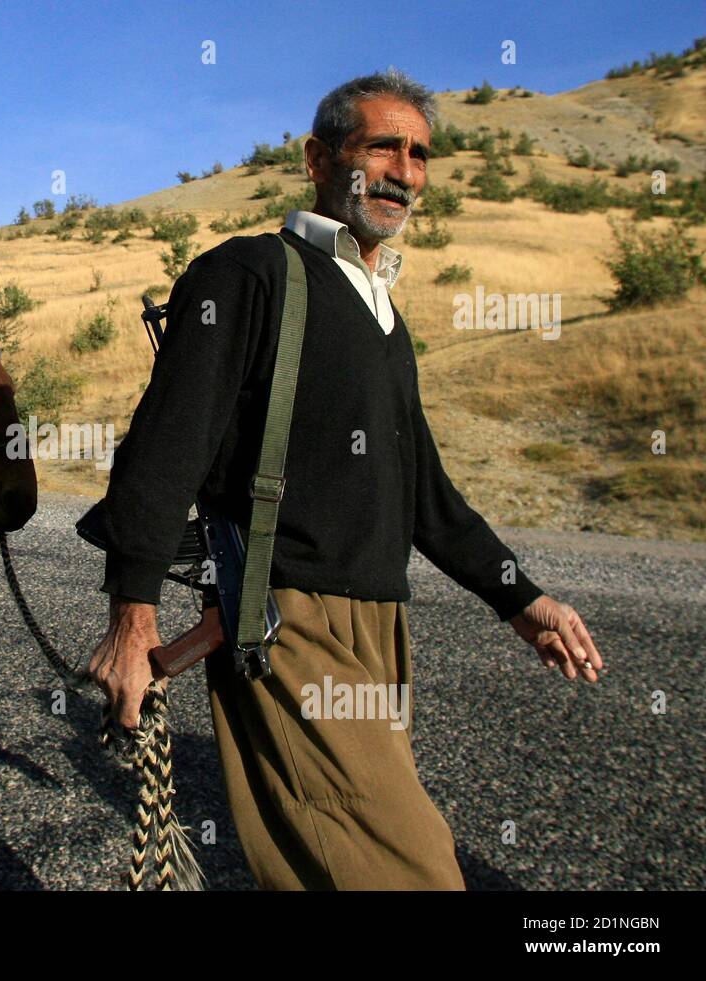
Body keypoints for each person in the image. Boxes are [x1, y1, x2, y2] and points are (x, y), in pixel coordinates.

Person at [87, 68, 605, 890]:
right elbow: (163, 451)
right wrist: (131, 618)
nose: (404, 170)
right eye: (383, 147)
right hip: (288, 624)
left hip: (382, 625)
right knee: (414, 871)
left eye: (420, 154)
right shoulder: (248, 275)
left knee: (329, 863)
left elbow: (425, 492)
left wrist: (522, 597)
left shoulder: (384, 312)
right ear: (318, 157)